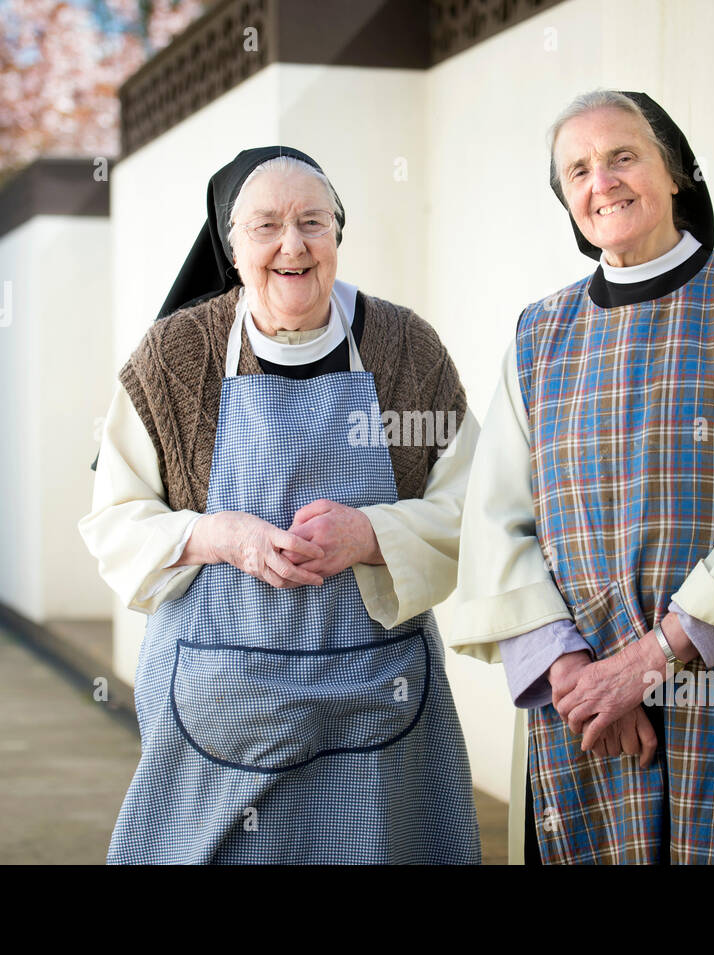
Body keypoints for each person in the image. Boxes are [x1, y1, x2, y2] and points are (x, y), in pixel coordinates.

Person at [448, 91, 714, 864]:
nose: (599, 181)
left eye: (622, 156)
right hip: (582, 705)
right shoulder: (538, 336)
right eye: (577, 169)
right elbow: (496, 518)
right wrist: (580, 678)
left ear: (674, 173)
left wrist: (646, 664)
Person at [78, 145, 480, 864]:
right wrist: (218, 535)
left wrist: (372, 534)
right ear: (231, 248)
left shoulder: (405, 349)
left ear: (337, 235)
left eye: (313, 223)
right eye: (266, 226)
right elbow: (112, 520)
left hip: (375, 696)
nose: (292, 246)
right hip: (223, 704)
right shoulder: (175, 359)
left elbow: (475, 505)